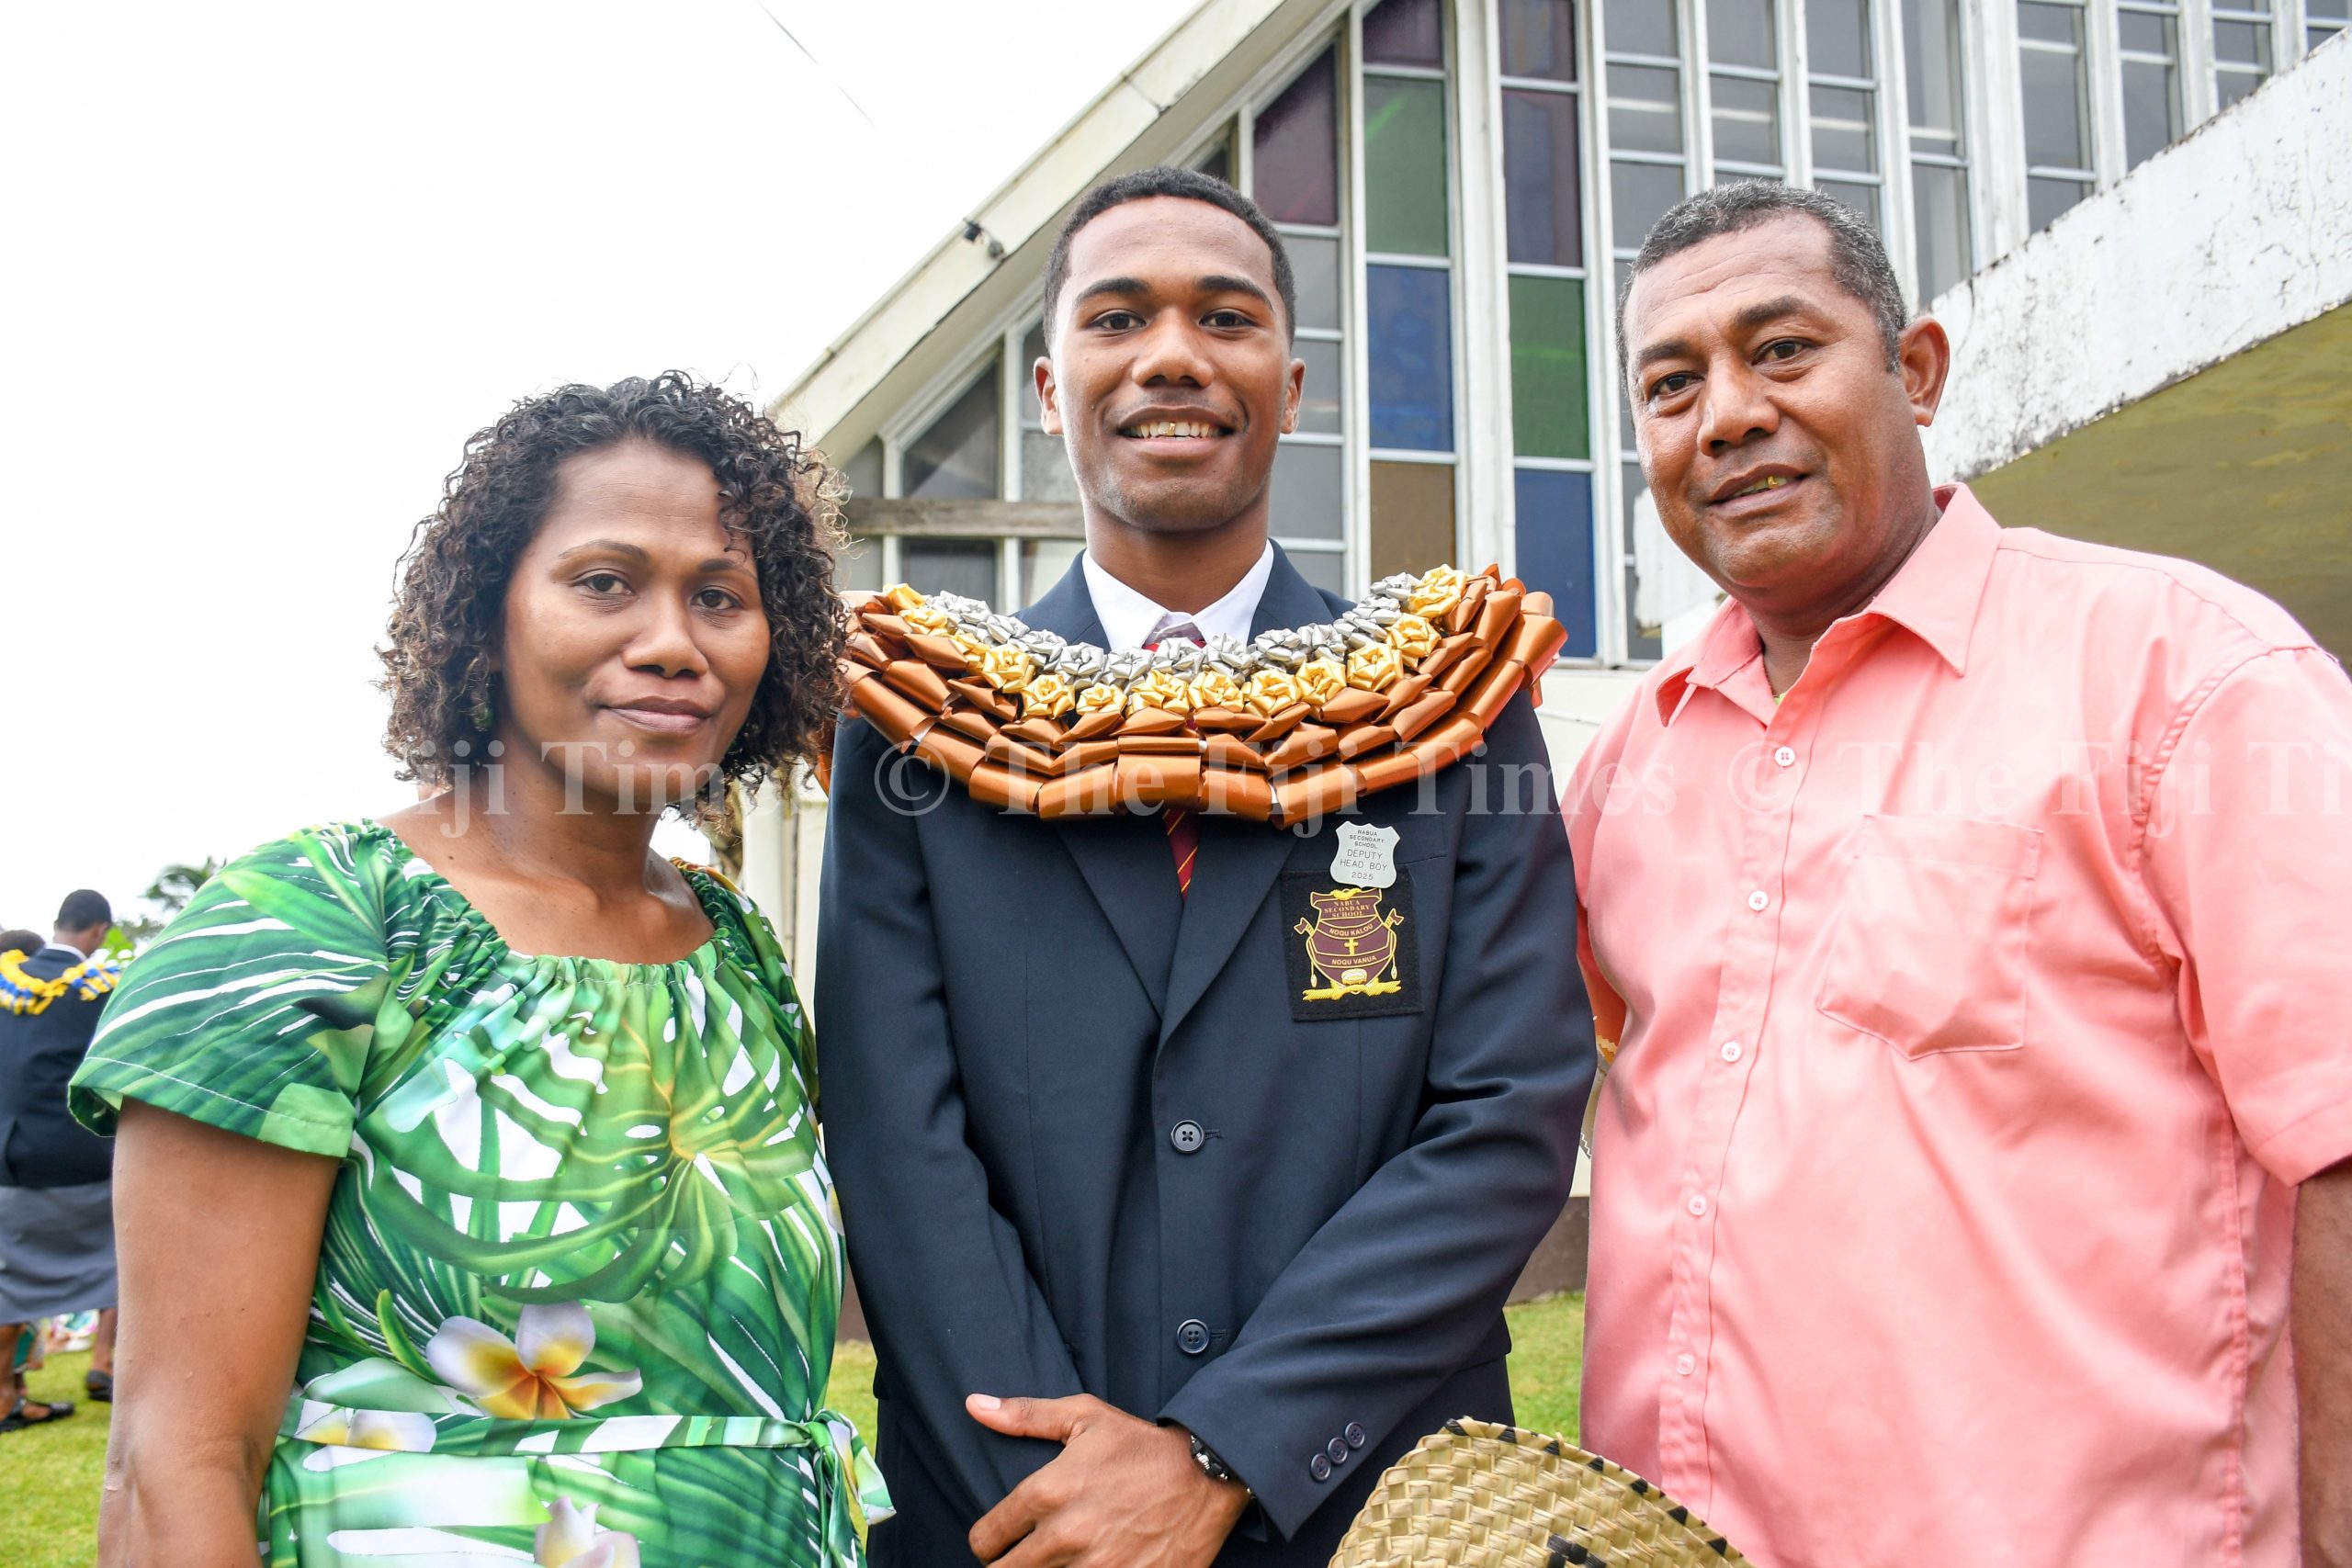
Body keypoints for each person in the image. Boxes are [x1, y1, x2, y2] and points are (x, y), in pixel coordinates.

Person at [1566, 180, 2352, 1566]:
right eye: (1670, 384)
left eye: (1783, 348)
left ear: (1916, 370)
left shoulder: (2187, 675)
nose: (1728, 414)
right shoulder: (1630, 759)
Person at [818, 166, 1593, 1568]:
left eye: (1224, 317)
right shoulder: (920, 722)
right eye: (1118, 317)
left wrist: (1229, 1444)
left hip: (1380, 1512)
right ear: (1050, 389)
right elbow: (895, 1137)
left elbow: (1507, 1110)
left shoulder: (1449, 704)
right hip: (1013, 1517)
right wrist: (1068, 1501)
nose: (1172, 354)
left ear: (1289, 388)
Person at [69, 375, 889, 1567]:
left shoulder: (738, 952)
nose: (672, 642)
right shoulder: (311, 920)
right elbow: (173, 1461)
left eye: (720, 595)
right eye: (604, 581)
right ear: (485, 612)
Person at [0, 891, 122, 1431]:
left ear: (58, 924)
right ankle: (104, 1364)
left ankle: (4, 1394)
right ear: (98, 930)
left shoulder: (7, 986)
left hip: (10, 1157)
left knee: (10, 1280)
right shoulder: (99, 990)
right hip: (82, 1156)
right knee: (125, 1262)